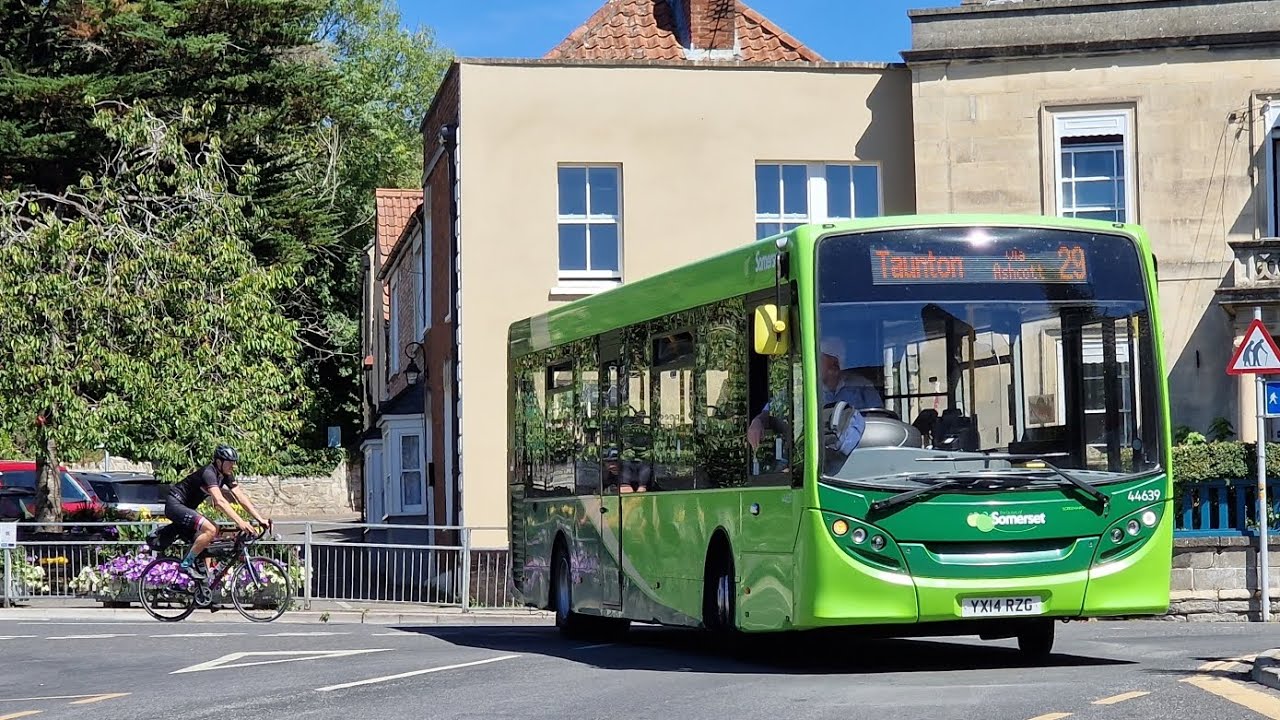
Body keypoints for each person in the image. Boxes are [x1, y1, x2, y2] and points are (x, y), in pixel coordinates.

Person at [147, 445, 271, 580]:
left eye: (234, 462)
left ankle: (203, 587)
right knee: (211, 529)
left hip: (187, 508)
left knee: (209, 537)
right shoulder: (209, 473)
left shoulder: (226, 475)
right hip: (175, 504)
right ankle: (186, 565)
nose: (233, 466)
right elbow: (220, 501)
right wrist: (240, 522)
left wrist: (260, 519)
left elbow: (241, 498)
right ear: (219, 462)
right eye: (230, 462)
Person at [747, 337, 883, 455]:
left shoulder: (861, 387)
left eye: (819, 358)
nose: (813, 362)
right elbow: (771, 411)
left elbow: (879, 421)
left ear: (834, 365)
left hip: (859, 458)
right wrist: (757, 422)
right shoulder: (800, 389)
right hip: (815, 462)